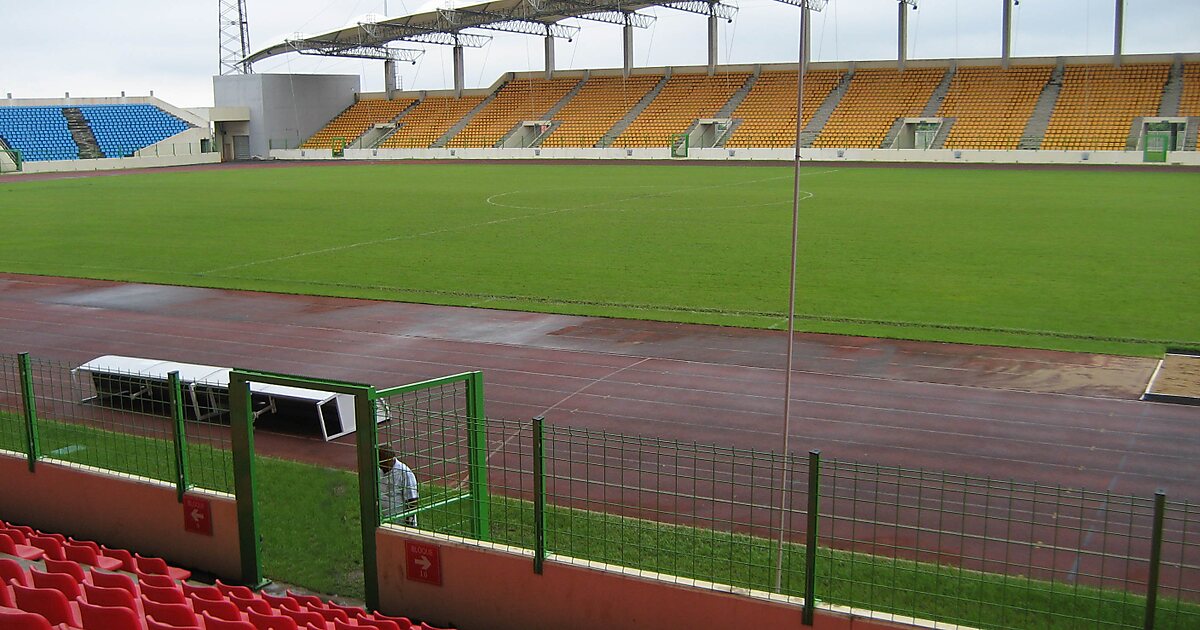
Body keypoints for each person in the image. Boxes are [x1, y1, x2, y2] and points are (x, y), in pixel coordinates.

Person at [379, 446, 419, 526]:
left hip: (399, 523)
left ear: (391, 460)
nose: (381, 466)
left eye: (383, 464)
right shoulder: (380, 470)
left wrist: (409, 521)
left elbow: (412, 500)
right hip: (382, 521)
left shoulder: (405, 473)